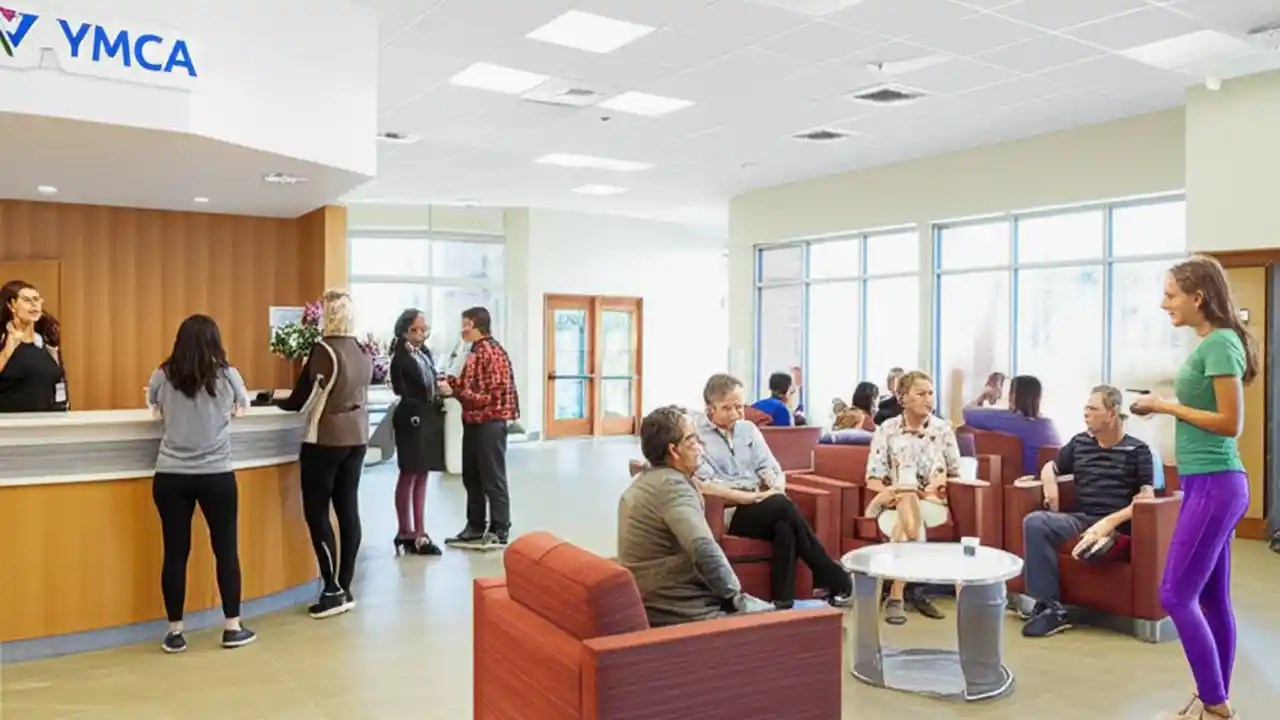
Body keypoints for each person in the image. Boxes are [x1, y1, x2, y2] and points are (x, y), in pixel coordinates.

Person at [1131, 255, 1257, 720]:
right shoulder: (1212, 342)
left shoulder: (1221, 343)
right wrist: (1163, 403)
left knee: (1174, 595)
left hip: (1216, 486)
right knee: (1211, 598)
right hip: (1209, 483)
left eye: (1170, 295)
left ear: (1197, 297)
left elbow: (1230, 423)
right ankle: (1214, 700)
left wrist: (1166, 407)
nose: (1164, 304)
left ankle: (1216, 707)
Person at [693, 373, 852, 608]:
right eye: (728, 408)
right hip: (728, 511)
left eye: (740, 406)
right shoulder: (697, 437)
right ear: (710, 408)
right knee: (782, 506)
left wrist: (774, 488)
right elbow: (708, 483)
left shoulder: (748, 430)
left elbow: (771, 468)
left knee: (784, 527)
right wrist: (753, 494)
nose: (736, 414)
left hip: (762, 503)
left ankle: (783, 602)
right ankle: (826, 569)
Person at [146, 315, 257, 653]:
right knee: (226, 551)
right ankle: (232, 627)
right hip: (216, 475)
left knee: (175, 554)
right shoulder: (228, 375)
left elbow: (153, 409)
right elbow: (244, 409)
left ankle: (175, 632)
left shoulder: (162, 375)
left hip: (170, 475)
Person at [618, 405, 781, 626]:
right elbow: (702, 547)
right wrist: (736, 595)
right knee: (789, 623)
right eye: (693, 441)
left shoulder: (647, 482)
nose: (701, 449)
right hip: (683, 610)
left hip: (657, 601)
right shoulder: (673, 489)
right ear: (674, 451)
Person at [1019, 385, 1156, 638]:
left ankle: (1106, 542)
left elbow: (1146, 499)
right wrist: (1050, 490)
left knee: (1099, 544)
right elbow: (1052, 466)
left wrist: (1109, 523)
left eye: (1093, 408)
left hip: (1117, 524)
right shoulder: (1080, 442)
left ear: (1112, 414)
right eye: (1085, 408)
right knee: (1035, 522)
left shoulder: (1138, 451)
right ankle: (1051, 608)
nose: (1086, 414)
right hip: (1082, 519)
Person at [276, 289, 372, 619]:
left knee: (318, 512)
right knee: (348, 509)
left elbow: (299, 400)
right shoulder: (361, 350)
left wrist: (271, 401)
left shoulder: (324, 350)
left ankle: (330, 589)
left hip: (325, 440)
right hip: (358, 437)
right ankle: (345, 585)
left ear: (325, 315)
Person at [865, 371, 957, 625]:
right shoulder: (887, 430)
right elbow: (872, 478)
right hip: (895, 502)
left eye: (931, 393)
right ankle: (909, 587)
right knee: (905, 494)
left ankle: (896, 593)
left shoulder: (943, 430)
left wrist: (942, 483)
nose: (929, 400)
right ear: (903, 398)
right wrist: (889, 492)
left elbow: (956, 473)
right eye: (921, 394)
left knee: (905, 515)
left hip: (933, 504)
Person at [438, 307, 519, 550]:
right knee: (472, 477)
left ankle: (499, 528)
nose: (462, 330)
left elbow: (489, 394)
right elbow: (466, 381)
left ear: (476, 325)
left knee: (492, 477)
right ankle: (474, 526)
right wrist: (448, 383)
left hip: (490, 423)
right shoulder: (472, 351)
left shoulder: (491, 353)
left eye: (465, 325)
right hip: (473, 422)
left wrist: (456, 392)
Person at [388, 308, 446, 556]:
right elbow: (402, 389)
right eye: (415, 330)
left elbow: (429, 380)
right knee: (408, 473)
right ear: (404, 331)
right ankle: (405, 530)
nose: (421, 334)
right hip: (410, 417)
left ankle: (420, 531)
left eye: (424, 330)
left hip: (427, 416)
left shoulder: (425, 353)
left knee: (423, 473)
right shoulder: (399, 357)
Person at [963, 374, 1061, 475]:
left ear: (1013, 396)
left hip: (1023, 484)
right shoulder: (1048, 425)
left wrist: (983, 396)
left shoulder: (1012, 421)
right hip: (1052, 485)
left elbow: (968, 412)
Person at [0, 280, 65, 413]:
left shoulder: (47, 345)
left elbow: (59, 386)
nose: (34, 304)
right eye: (26, 300)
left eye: (36, 299)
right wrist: (8, 350)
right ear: (11, 305)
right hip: (9, 428)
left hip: (47, 426)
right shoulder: (3, 342)